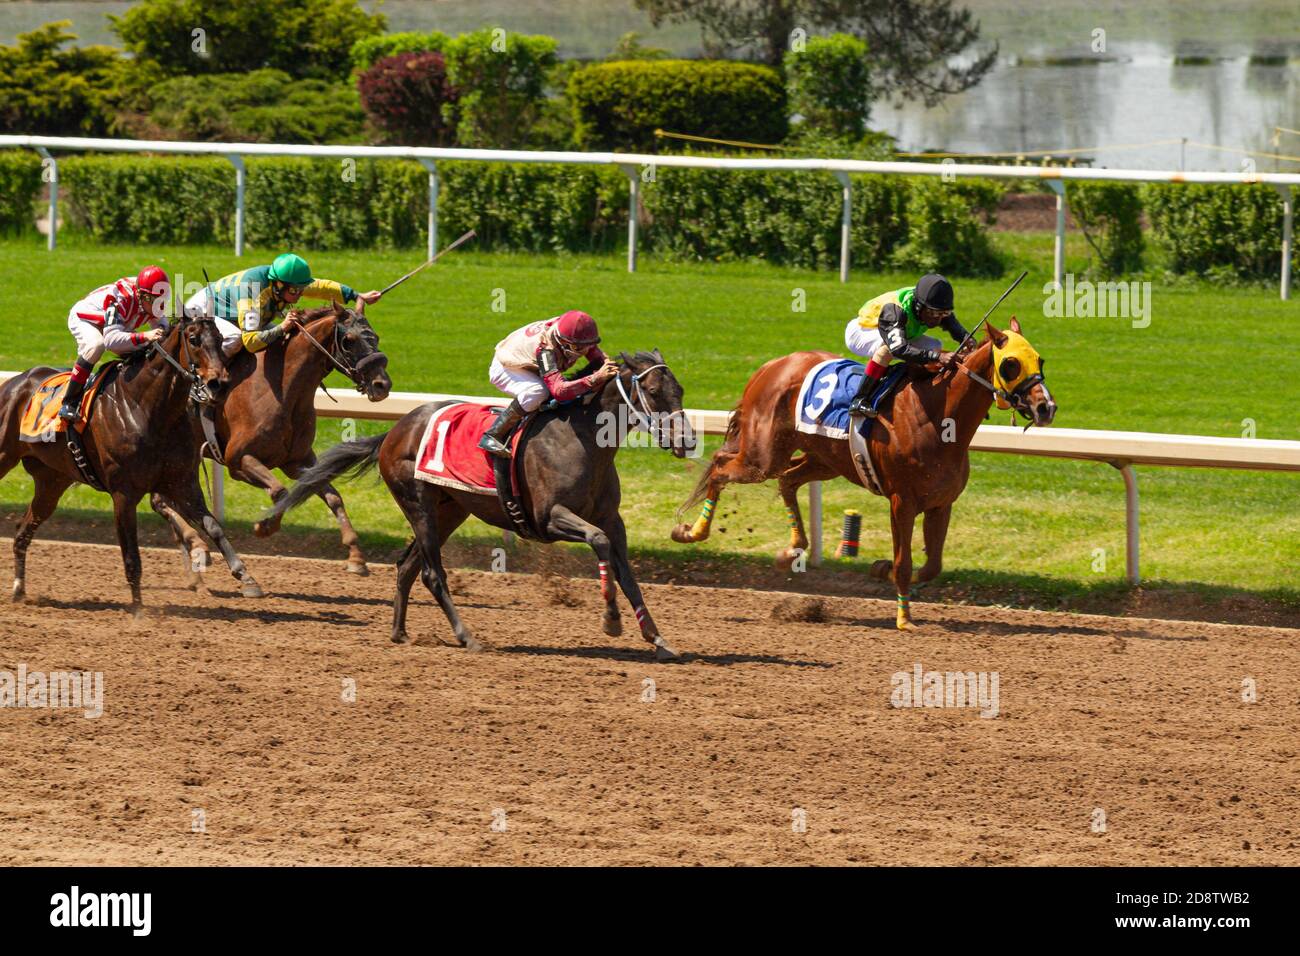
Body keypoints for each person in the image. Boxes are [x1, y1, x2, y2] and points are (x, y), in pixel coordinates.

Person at [478, 310, 619, 458]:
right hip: (507, 367)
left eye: (589, 346)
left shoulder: (572, 336)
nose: (585, 352)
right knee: (539, 391)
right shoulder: (546, 349)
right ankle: (493, 434)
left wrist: (610, 366)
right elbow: (560, 392)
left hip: (528, 362)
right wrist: (595, 378)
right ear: (562, 342)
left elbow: (598, 358)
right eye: (578, 348)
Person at [184, 253, 381, 357]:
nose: (298, 295)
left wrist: (356, 295)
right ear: (278, 284)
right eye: (294, 291)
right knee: (236, 339)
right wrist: (281, 327)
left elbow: (320, 286)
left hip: (233, 313)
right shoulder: (253, 293)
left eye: (301, 289)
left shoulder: (289, 283)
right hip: (203, 311)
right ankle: (207, 383)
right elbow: (251, 342)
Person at [845, 273, 970, 417]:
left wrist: (966, 338)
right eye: (934, 313)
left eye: (944, 313)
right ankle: (859, 400)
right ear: (918, 307)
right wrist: (937, 356)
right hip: (863, 331)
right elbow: (899, 349)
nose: (938, 319)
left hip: (901, 331)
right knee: (886, 351)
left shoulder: (931, 305)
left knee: (935, 344)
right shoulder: (895, 310)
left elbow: (951, 323)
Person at [59, 266, 170, 422]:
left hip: (116, 324)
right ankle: (69, 402)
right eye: (154, 301)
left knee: (145, 350)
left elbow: (164, 329)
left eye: (162, 300)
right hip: (87, 319)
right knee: (96, 345)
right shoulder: (120, 299)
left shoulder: (149, 298)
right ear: (140, 295)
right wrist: (145, 335)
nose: (159, 306)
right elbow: (111, 341)